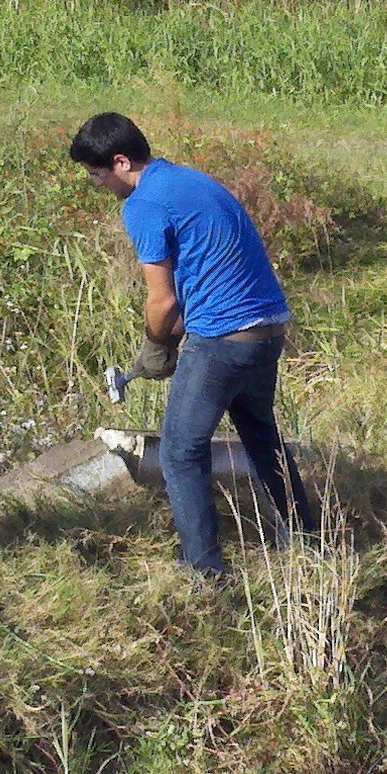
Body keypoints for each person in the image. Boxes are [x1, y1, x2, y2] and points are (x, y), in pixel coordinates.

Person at [69, 113, 316, 580]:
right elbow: (205, 276)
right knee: (261, 436)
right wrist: (173, 334)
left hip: (222, 339)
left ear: (120, 162)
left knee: (180, 453)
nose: (98, 184)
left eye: (97, 174)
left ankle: (202, 570)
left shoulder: (143, 203)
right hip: (267, 330)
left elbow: (161, 300)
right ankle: (306, 542)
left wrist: (155, 346)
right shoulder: (193, 181)